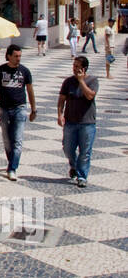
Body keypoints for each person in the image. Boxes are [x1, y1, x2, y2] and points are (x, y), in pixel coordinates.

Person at [0, 43, 36, 180]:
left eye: (20, 56)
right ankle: (12, 162)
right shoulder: (0, 70)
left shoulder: (25, 71)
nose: (18, 58)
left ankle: (12, 168)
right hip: (4, 109)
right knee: (7, 140)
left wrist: (33, 109)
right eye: (15, 56)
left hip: (20, 108)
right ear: (8, 56)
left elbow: (30, 91)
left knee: (17, 140)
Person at [58, 55, 98, 189]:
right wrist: (60, 114)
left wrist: (81, 81)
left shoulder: (92, 80)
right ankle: (74, 166)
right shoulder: (68, 82)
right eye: (73, 66)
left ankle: (82, 176)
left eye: (77, 66)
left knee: (85, 151)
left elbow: (90, 95)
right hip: (70, 121)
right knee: (67, 148)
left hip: (87, 123)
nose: (74, 68)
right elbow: (62, 99)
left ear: (84, 69)